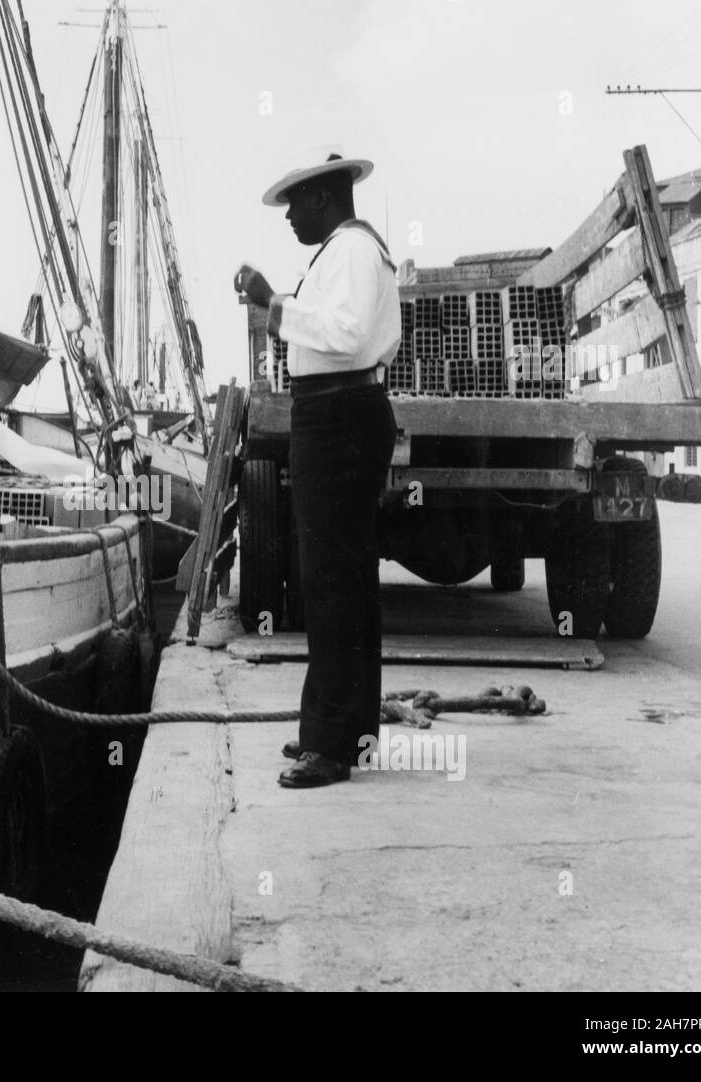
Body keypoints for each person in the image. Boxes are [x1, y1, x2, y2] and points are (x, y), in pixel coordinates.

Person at [234, 148, 401, 788]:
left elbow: (350, 334)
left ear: (325, 199)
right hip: (340, 413)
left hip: (339, 417)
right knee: (346, 579)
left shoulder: (353, 251)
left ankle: (331, 745)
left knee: (330, 581)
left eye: (296, 204)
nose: (289, 218)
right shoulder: (342, 252)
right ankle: (344, 732)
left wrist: (271, 302)